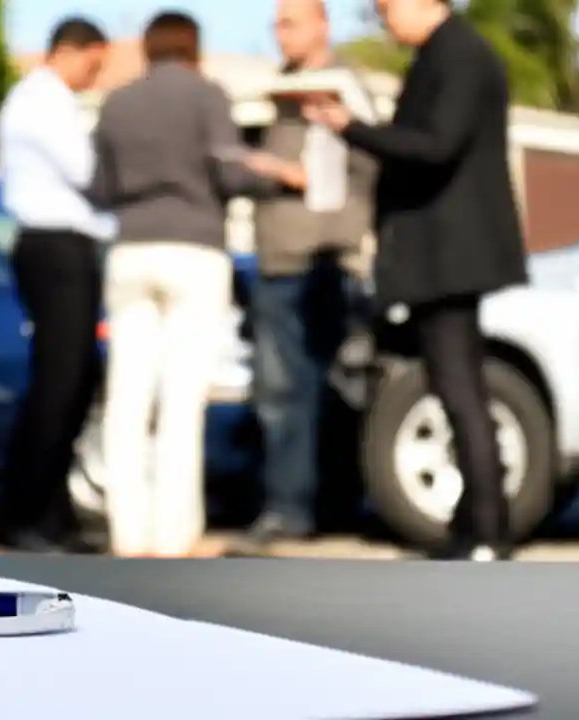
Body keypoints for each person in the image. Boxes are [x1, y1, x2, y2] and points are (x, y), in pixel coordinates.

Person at [304, 0, 529, 561]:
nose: (383, 20)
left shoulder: (458, 54)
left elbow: (435, 144)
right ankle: (475, 523)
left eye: (385, 8)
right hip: (443, 254)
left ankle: (485, 529)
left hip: (450, 256)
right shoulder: (443, 54)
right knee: (456, 389)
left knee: (460, 390)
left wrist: (351, 128)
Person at [88, 11, 306, 558]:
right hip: (193, 252)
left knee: (127, 398)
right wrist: (274, 177)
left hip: (132, 250)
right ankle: (174, 536)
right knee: (183, 400)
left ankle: (127, 534)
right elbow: (229, 171)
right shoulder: (207, 96)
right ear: (193, 48)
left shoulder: (117, 103)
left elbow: (99, 188)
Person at [227, 0, 380, 557]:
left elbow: (369, 161)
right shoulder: (275, 91)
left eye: (290, 22)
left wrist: (292, 174)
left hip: (326, 261)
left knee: (326, 388)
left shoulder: (343, 86)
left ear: (322, 24)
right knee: (279, 390)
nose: (280, 33)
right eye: (275, 24)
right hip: (277, 262)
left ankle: (314, 506)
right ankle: (289, 508)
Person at [0, 17, 114, 553]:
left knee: (75, 381)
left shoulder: (45, 99)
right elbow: (90, 173)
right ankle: (19, 516)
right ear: (68, 52)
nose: (95, 74)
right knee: (58, 384)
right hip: (55, 248)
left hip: (66, 247)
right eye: (93, 63)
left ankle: (52, 514)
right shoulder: (43, 100)